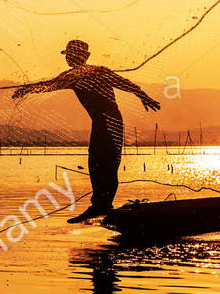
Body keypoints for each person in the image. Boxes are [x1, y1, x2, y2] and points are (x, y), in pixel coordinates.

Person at [12, 39, 160, 221]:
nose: (69, 59)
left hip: (111, 121)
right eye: (68, 56)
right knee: (96, 163)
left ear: (84, 56)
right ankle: (100, 205)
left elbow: (125, 83)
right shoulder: (72, 76)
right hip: (100, 122)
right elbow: (48, 86)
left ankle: (102, 205)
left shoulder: (98, 72)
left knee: (108, 164)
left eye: (72, 55)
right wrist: (26, 90)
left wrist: (143, 96)